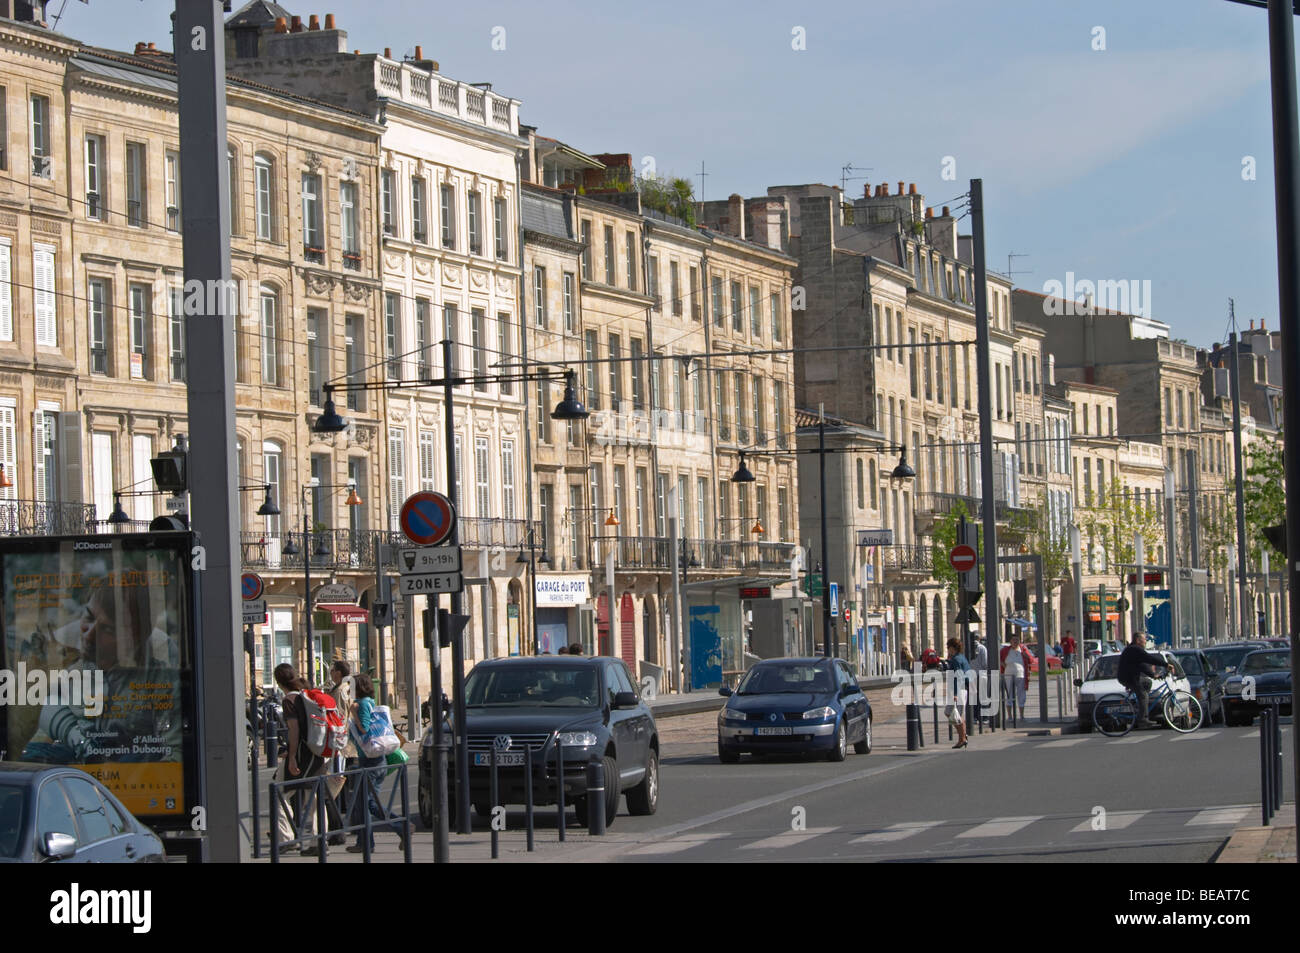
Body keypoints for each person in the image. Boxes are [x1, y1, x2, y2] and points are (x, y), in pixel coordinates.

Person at [273, 663, 343, 852]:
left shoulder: (289, 700)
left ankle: (287, 838)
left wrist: (292, 755)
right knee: (313, 798)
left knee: (278, 791)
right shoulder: (307, 695)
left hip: (302, 754)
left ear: (278, 681)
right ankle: (318, 842)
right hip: (318, 751)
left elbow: (294, 730)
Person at [346, 674, 409, 853]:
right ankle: (366, 842)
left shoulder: (363, 704)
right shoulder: (366, 702)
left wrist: (354, 715)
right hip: (373, 761)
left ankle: (398, 828)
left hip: (371, 763)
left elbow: (364, 728)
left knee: (367, 803)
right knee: (365, 802)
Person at [326, 659, 356, 835]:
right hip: (347, 743)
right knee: (342, 782)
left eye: (332, 670)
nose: (330, 673)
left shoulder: (340, 691)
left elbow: (337, 717)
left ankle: (336, 826)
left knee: (335, 782)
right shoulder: (348, 687)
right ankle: (341, 821)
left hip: (339, 744)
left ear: (338, 673)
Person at [1117, 632, 1168, 729]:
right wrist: (1165, 664)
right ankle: (1143, 719)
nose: (1145, 641)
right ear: (1138, 640)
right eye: (1144, 639)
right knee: (1143, 695)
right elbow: (1149, 658)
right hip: (1128, 678)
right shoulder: (1135, 649)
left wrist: (1152, 675)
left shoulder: (1134, 649)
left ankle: (1140, 706)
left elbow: (1142, 665)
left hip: (1132, 676)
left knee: (1147, 682)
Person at [999, 632, 1034, 719]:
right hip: (1008, 675)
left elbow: (1031, 660)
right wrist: (1003, 665)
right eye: (1013, 640)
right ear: (1010, 641)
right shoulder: (1005, 650)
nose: (1015, 642)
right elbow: (999, 658)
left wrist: (1027, 656)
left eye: (1017, 640)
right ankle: (1010, 716)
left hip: (1021, 675)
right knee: (1009, 695)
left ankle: (1022, 715)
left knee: (1021, 695)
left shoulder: (1023, 649)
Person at [945, 637, 971, 749]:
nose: (947, 650)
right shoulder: (962, 658)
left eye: (948, 647)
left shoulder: (955, 659)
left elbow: (956, 677)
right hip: (963, 689)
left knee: (950, 713)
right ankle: (963, 737)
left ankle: (962, 738)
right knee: (958, 714)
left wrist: (955, 693)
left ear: (952, 648)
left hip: (958, 690)